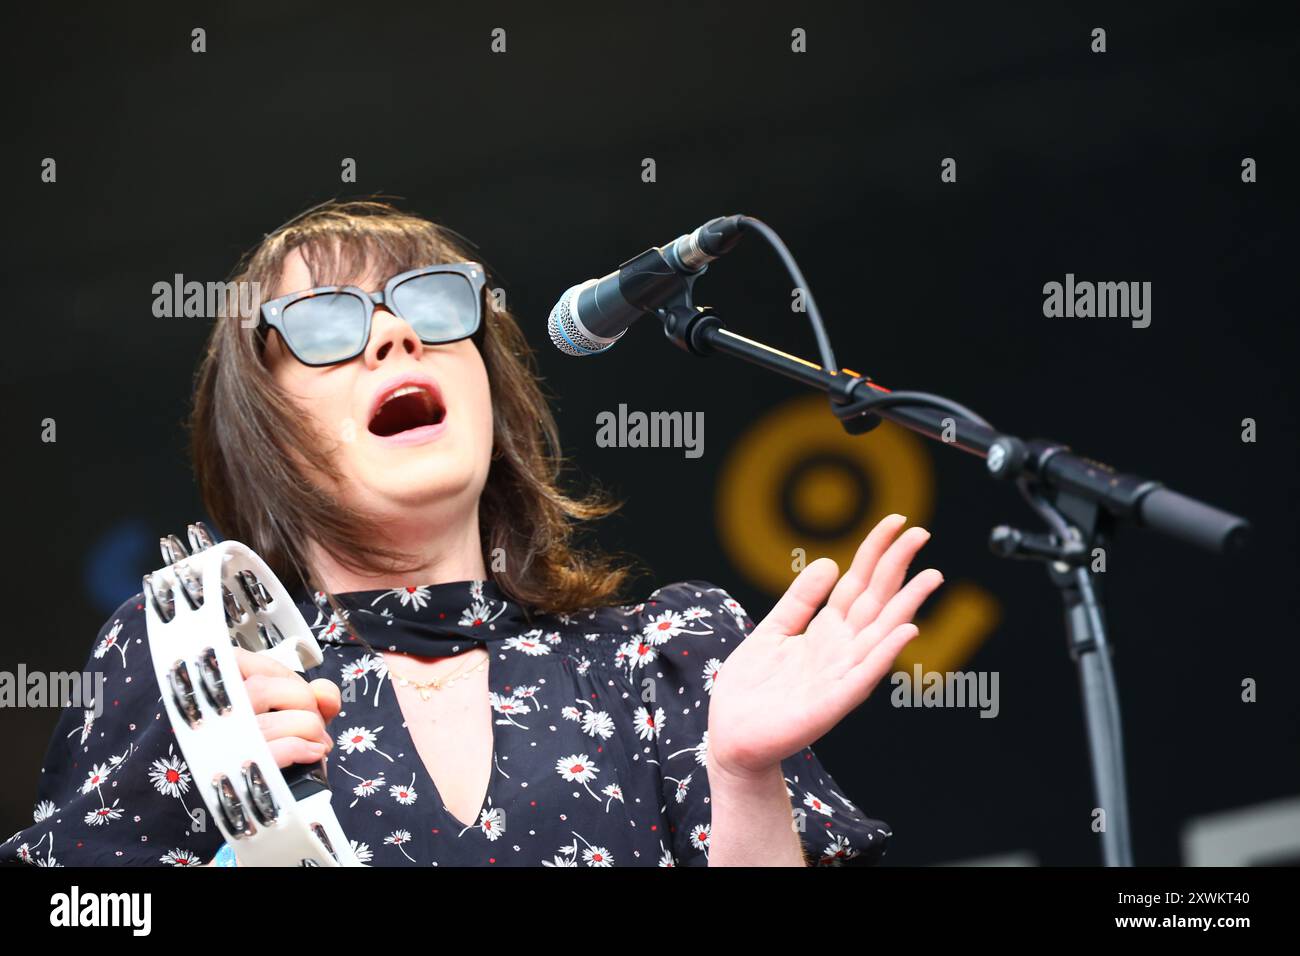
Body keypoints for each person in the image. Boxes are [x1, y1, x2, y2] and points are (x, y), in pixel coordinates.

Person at [5, 200, 943, 867]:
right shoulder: (199, 669)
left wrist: (741, 777)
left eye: (432, 305)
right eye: (328, 322)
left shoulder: (666, 658)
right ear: (263, 427)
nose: (396, 338)